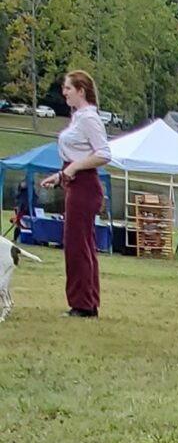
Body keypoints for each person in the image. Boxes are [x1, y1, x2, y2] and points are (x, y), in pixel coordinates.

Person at [42, 70, 112, 317]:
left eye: (68, 88)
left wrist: (72, 168)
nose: (64, 92)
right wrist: (60, 176)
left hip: (85, 186)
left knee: (77, 245)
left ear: (81, 91)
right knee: (82, 244)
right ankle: (86, 302)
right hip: (74, 182)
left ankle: (83, 304)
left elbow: (103, 153)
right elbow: (76, 156)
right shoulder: (79, 118)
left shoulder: (88, 119)